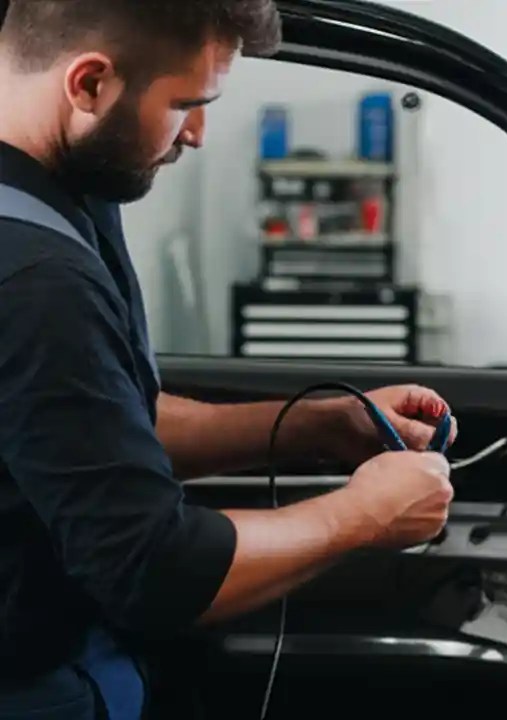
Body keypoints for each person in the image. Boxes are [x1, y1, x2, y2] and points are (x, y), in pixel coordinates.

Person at [0, 1, 458, 718]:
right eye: (186, 104)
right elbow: (153, 570)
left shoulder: (63, 198)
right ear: (88, 84)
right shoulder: (37, 277)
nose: (200, 133)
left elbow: (99, 426)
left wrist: (315, 427)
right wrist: (362, 516)